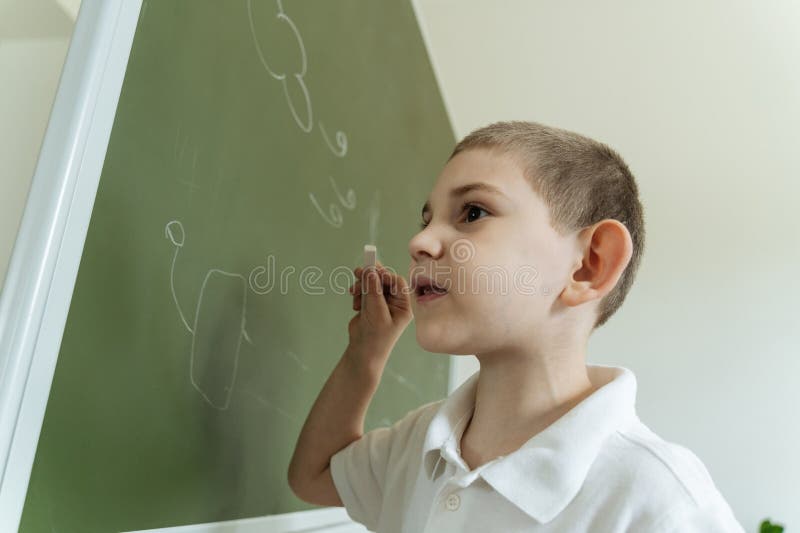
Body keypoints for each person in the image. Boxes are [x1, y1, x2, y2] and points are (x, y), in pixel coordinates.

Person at [287, 121, 745, 532]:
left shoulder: (660, 505)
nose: (419, 241)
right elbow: (314, 476)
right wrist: (366, 352)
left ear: (588, 265)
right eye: (427, 220)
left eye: (473, 213)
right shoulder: (422, 444)